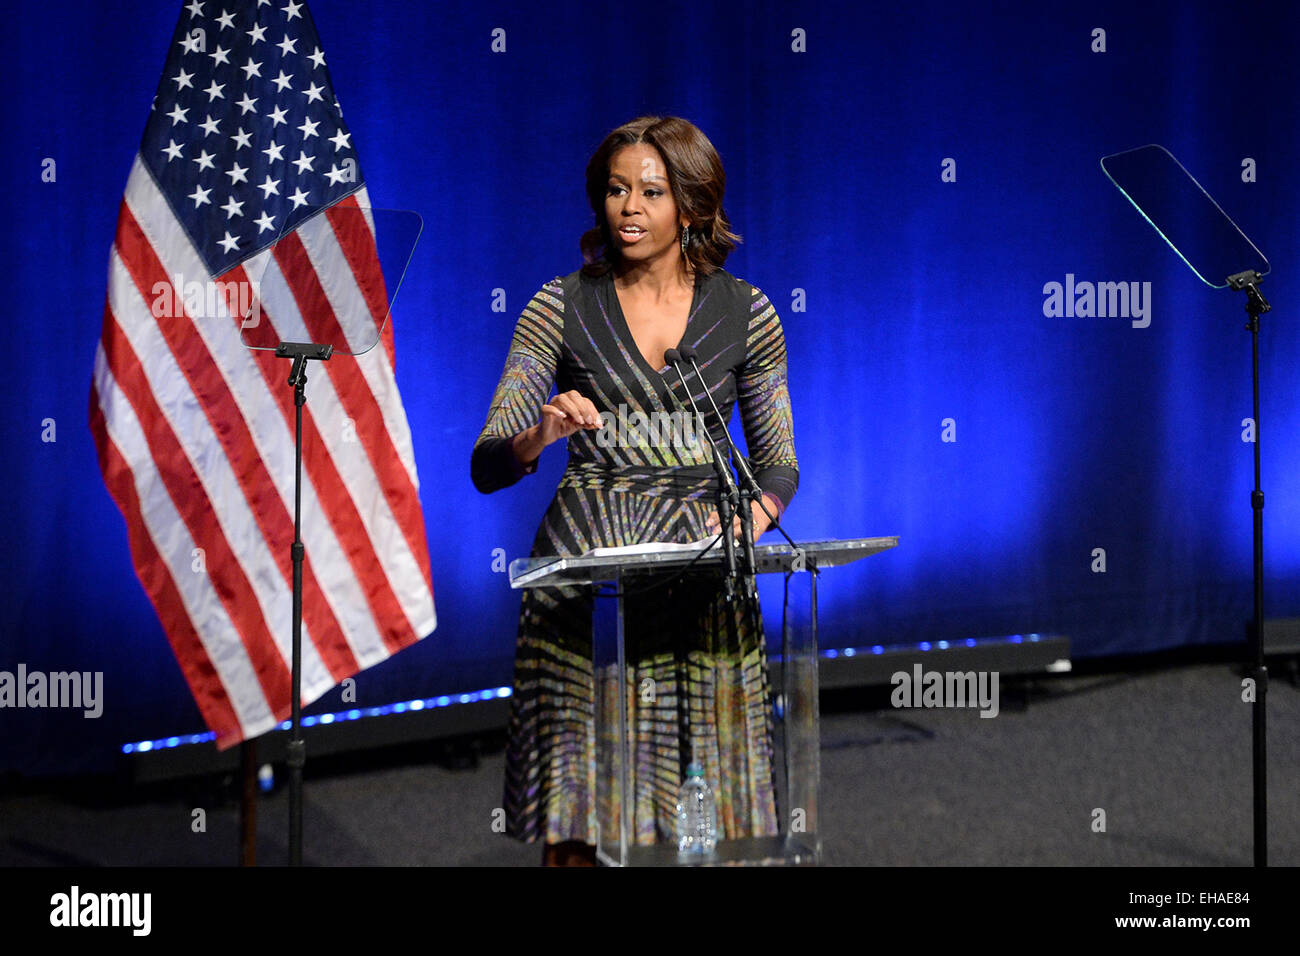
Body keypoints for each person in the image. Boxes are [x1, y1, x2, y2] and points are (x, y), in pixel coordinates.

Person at [471, 115, 798, 866]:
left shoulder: (749, 314)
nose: (629, 207)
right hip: (586, 570)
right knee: (581, 814)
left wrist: (747, 524)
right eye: (617, 189)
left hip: (702, 564)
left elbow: (779, 463)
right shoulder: (557, 306)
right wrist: (541, 434)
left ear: (691, 204)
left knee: (704, 812)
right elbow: (489, 462)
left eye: (651, 191)